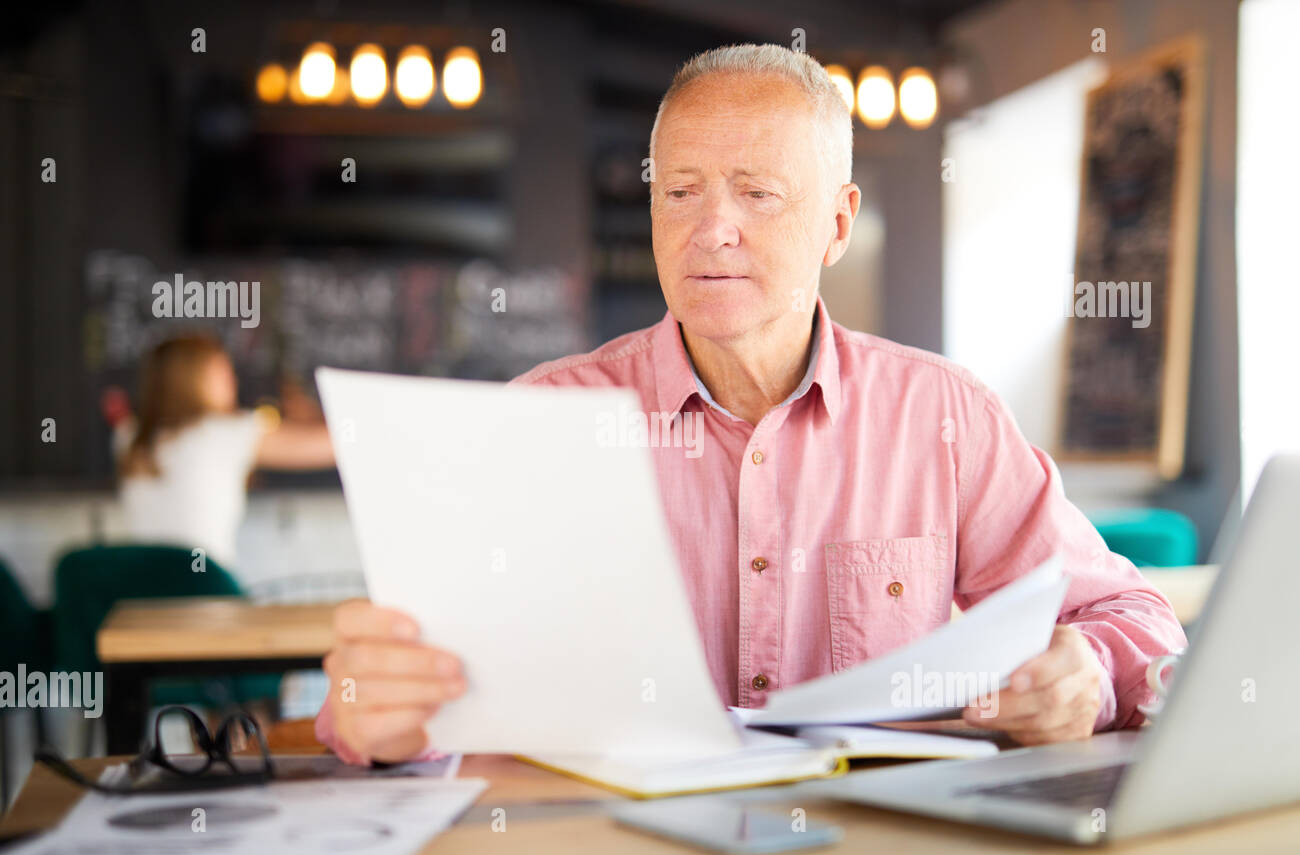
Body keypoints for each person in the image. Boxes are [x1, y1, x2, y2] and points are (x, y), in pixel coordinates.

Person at [315, 44, 1188, 765]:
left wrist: (1093, 676)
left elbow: (1136, 620)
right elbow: (394, 713)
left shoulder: (944, 417)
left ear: (838, 226)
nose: (710, 228)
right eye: (680, 192)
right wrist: (376, 718)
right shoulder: (537, 421)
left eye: (758, 193)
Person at [115, 333, 335, 572]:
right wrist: (314, 414)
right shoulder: (227, 433)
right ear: (194, 379)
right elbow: (335, 444)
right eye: (222, 372)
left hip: (140, 587)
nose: (233, 381)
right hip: (203, 581)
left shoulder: (126, 435)